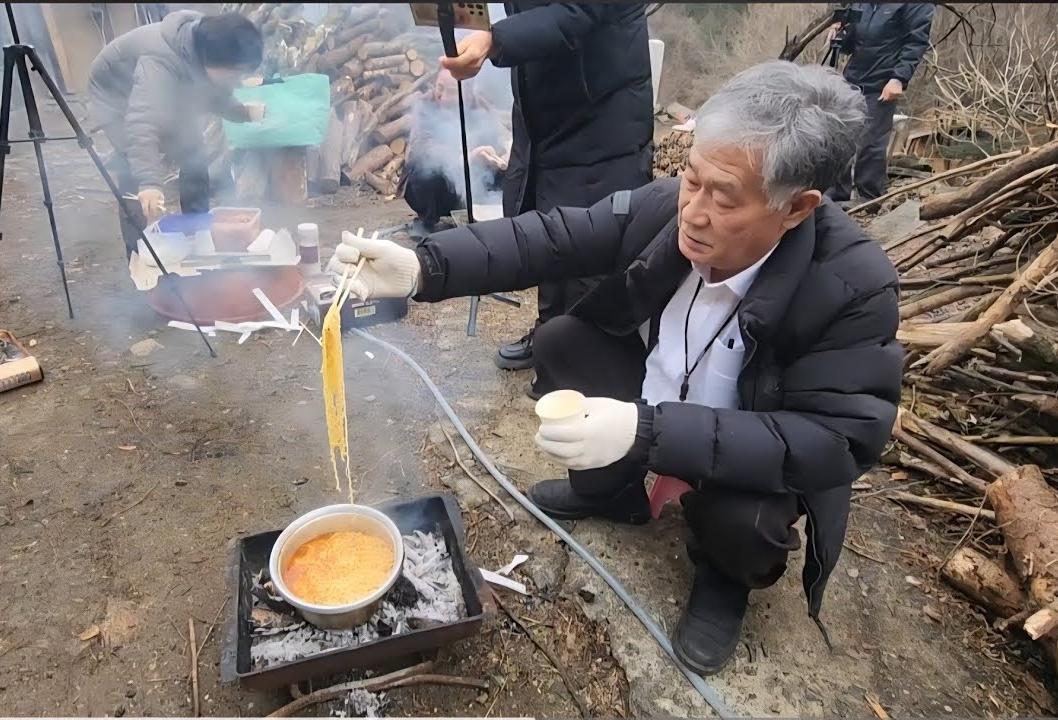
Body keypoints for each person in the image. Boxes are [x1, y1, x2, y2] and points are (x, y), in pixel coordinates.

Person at [329, 61, 903, 675]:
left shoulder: (853, 286)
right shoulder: (668, 209)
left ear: (797, 208)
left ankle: (723, 580)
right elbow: (550, 238)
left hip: (746, 447)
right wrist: (426, 267)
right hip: (654, 401)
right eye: (691, 179)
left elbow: (838, 438)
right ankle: (616, 491)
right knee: (562, 343)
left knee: (750, 522)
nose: (694, 212)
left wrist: (644, 431)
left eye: (724, 197)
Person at [439, 3, 654, 395]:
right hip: (548, 111)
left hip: (602, 118)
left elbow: (577, 11)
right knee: (547, 221)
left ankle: (582, 359)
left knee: (590, 237)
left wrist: (495, 40)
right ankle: (551, 335)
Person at [88, 11, 264, 257]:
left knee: (194, 153)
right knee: (134, 169)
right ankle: (138, 251)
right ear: (213, 60)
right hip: (116, 95)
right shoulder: (159, 60)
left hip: (163, 90)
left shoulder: (206, 47)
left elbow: (215, 92)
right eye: (237, 73)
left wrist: (243, 113)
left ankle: (197, 232)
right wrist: (149, 181)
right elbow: (141, 123)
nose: (239, 81)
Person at [827, 3, 936, 206]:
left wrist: (898, 79)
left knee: (871, 141)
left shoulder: (916, 6)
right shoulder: (864, 4)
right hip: (852, 78)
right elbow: (851, 45)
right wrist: (839, 30)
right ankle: (835, 196)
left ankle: (868, 200)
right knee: (838, 136)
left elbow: (916, 42)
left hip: (882, 82)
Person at [399, 70, 510, 233]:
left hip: (475, 191)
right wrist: (466, 158)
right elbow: (422, 147)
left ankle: (497, 217)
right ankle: (427, 222)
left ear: (468, 93)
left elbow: (497, 145)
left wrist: (496, 156)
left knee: (511, 172)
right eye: (439, 87)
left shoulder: (480, 108)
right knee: (422, 168)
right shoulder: (425, 105)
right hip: (441, 193)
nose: (442, 96)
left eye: (451, 92)